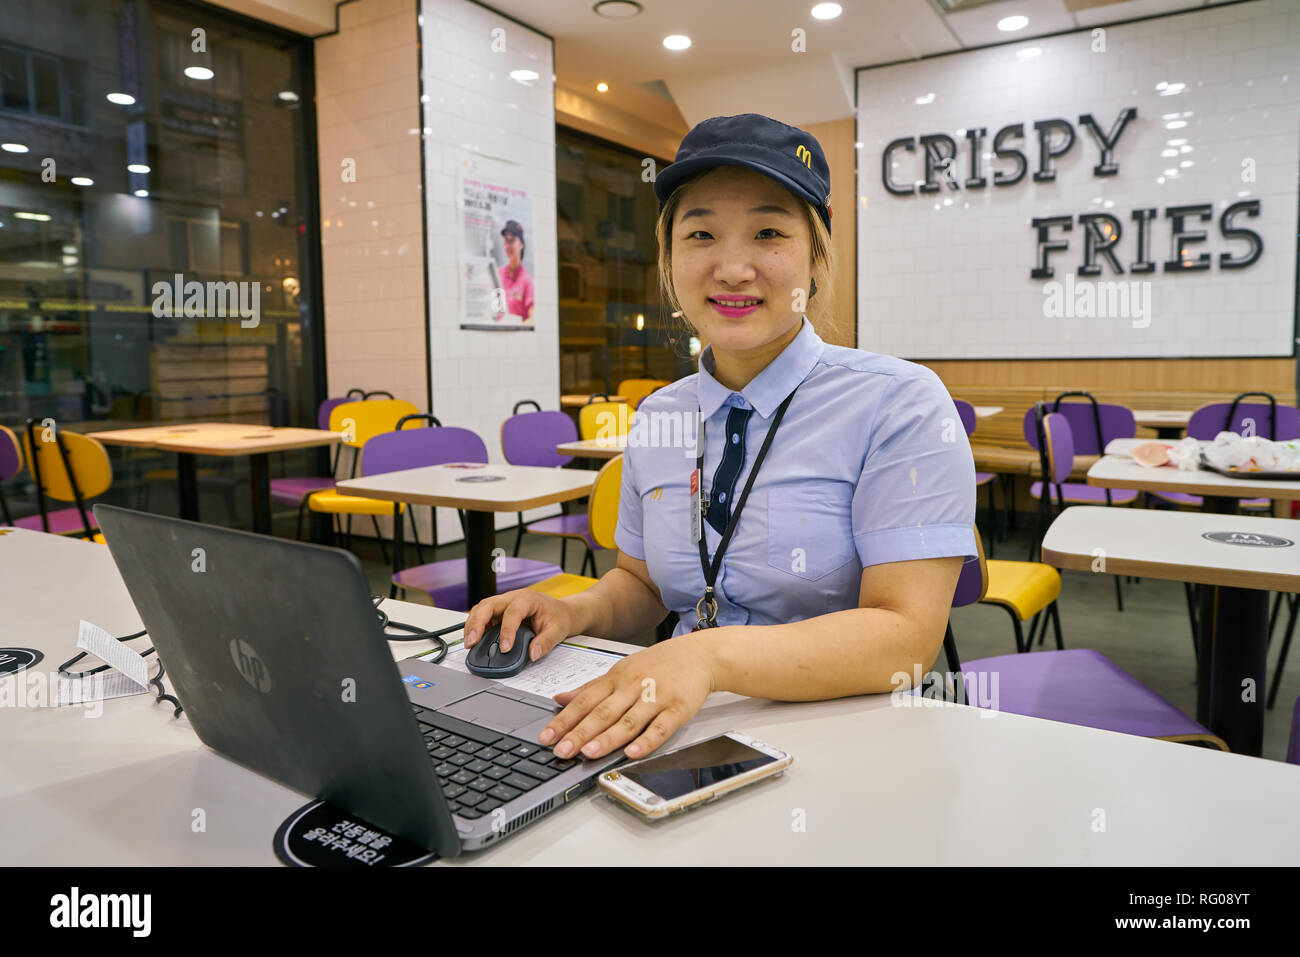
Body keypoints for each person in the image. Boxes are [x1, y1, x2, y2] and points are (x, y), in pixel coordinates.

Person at [465, 113, 976, 763]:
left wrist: (706, 655)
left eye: (768, 232)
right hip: (677, 728)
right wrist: (574, 612)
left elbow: (905, 639)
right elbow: (645, 587)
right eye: (701, 233)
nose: (732, 268)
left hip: (848, 738)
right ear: (670, 259)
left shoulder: (898, 403)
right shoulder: (658, 414)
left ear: (815, 258)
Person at [498, 219, 534, 321]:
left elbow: (533, 319)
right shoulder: (498, 275)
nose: (508, 246)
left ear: (521, 245)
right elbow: (496, 313)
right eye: (506, 241)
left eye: (512, 240)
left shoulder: (527, 281)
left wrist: (517, 327)